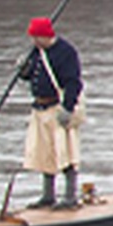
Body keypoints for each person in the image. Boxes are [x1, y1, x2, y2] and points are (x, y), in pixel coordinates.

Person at [20, 16, 85, 209]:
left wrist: (67, 108)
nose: (33, 41)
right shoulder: (36, 52)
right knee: (44, 153)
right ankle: (48, 195)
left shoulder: (66, 52)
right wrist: (23, 70)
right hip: (40, 108)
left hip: (58, 107)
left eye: (36, 37)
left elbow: (73, 82)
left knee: (65, 153)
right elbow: (32, 74)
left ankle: (70, 196)